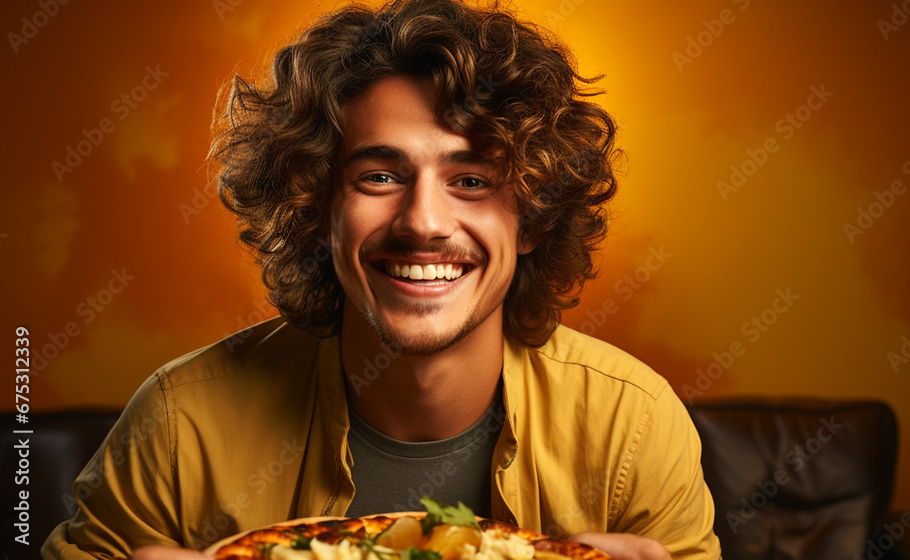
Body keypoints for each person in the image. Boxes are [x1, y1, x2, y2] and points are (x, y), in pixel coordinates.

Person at [42, 0, 721, 558]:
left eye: (472, 180)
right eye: (380, 176)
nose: (423, 222)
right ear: (318, 210)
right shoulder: (179, 423)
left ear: (533, 218)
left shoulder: (634, 427)